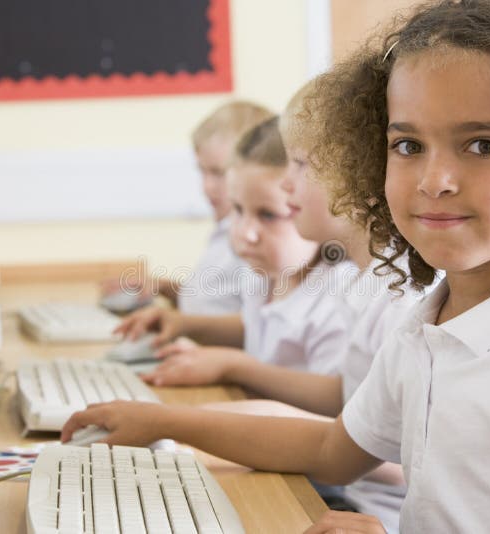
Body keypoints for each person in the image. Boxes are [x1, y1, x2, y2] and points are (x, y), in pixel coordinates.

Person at [64, 1, 490, 531]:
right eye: (408, 145)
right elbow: (333, 449)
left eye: (483, 144)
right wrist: (160, 422)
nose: (435, 180)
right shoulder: (423, 322)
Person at [139, 82, 413, 531]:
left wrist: (217, 388)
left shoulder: (393, 296)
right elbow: (348, 402)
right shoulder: (365, 285)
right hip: (348, 494)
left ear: (360, 174)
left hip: (365, 505)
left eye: (301, 165)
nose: (288, 183)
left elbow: (351, 444)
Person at [116, 116, 355, 375]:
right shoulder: (263, 278)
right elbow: (255, 328)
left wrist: (232, 366)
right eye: (238, 210)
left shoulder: (338, 297)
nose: (245, 233)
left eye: (268, 215)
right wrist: (183, 324)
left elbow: (334, 402)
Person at [100, 100, 273, 315]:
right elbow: (214, 302)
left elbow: (254, 325)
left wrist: (179, 325)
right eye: (202, 171)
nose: (206, 186)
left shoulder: (252, 241)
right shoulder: (224, 231)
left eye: (219, 173)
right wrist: (165, 288)